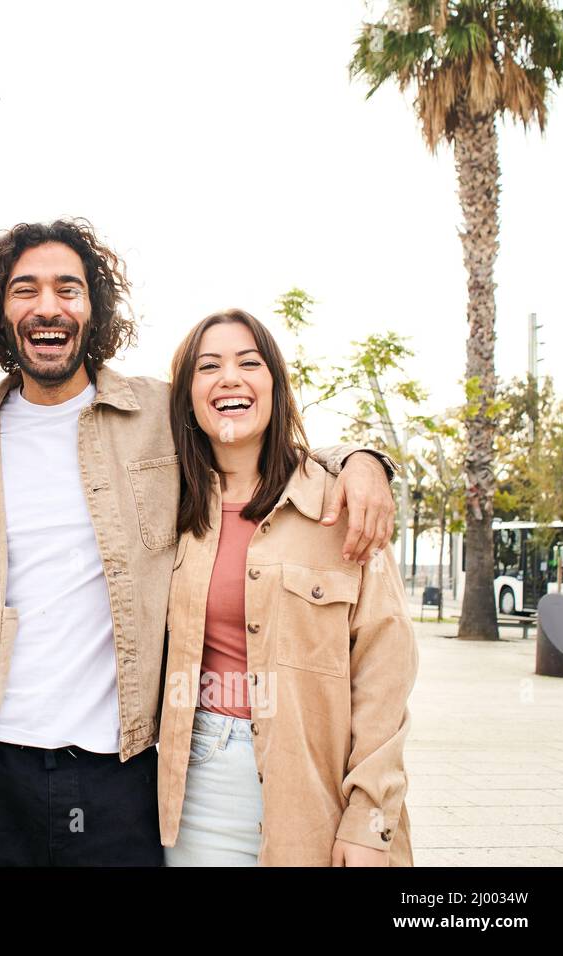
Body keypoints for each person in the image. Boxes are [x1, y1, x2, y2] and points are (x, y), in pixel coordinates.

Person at [0, 218, 397, 866]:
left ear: (94, 308)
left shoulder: (158, 414)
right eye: (24, 289)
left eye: (68, 288)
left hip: (117, 775)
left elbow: (250, 431)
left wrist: (361, 460)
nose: (47, 305)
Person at [158, 308, 417, 866]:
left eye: (249, 363)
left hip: (316, 789)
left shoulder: (340, 502)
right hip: (199, 785)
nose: (230, 378)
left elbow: (385, 669)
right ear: (186, 395)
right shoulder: (165, 504)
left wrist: (370, 817)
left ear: (275, 384)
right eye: (208, 366)